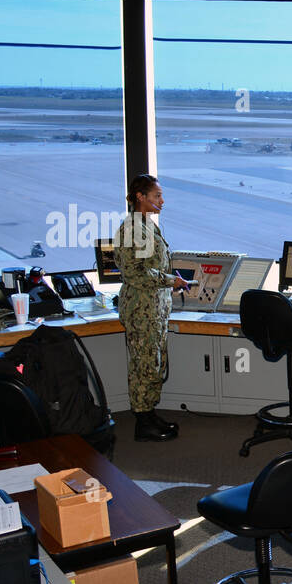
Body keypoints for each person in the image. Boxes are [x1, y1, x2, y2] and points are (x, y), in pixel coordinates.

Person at [113, 174, 189, 442]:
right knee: (144, 366)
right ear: (140, 197)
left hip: (153, 309)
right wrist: (170, 280)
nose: (162, 201)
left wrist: (169, 281)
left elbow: (152, 266)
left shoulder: (146, 226)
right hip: (141, 310)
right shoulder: (133, 229)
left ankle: (149, 414)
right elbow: (135, 273)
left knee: (154, 364)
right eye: (157, 196)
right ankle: (143, 423)